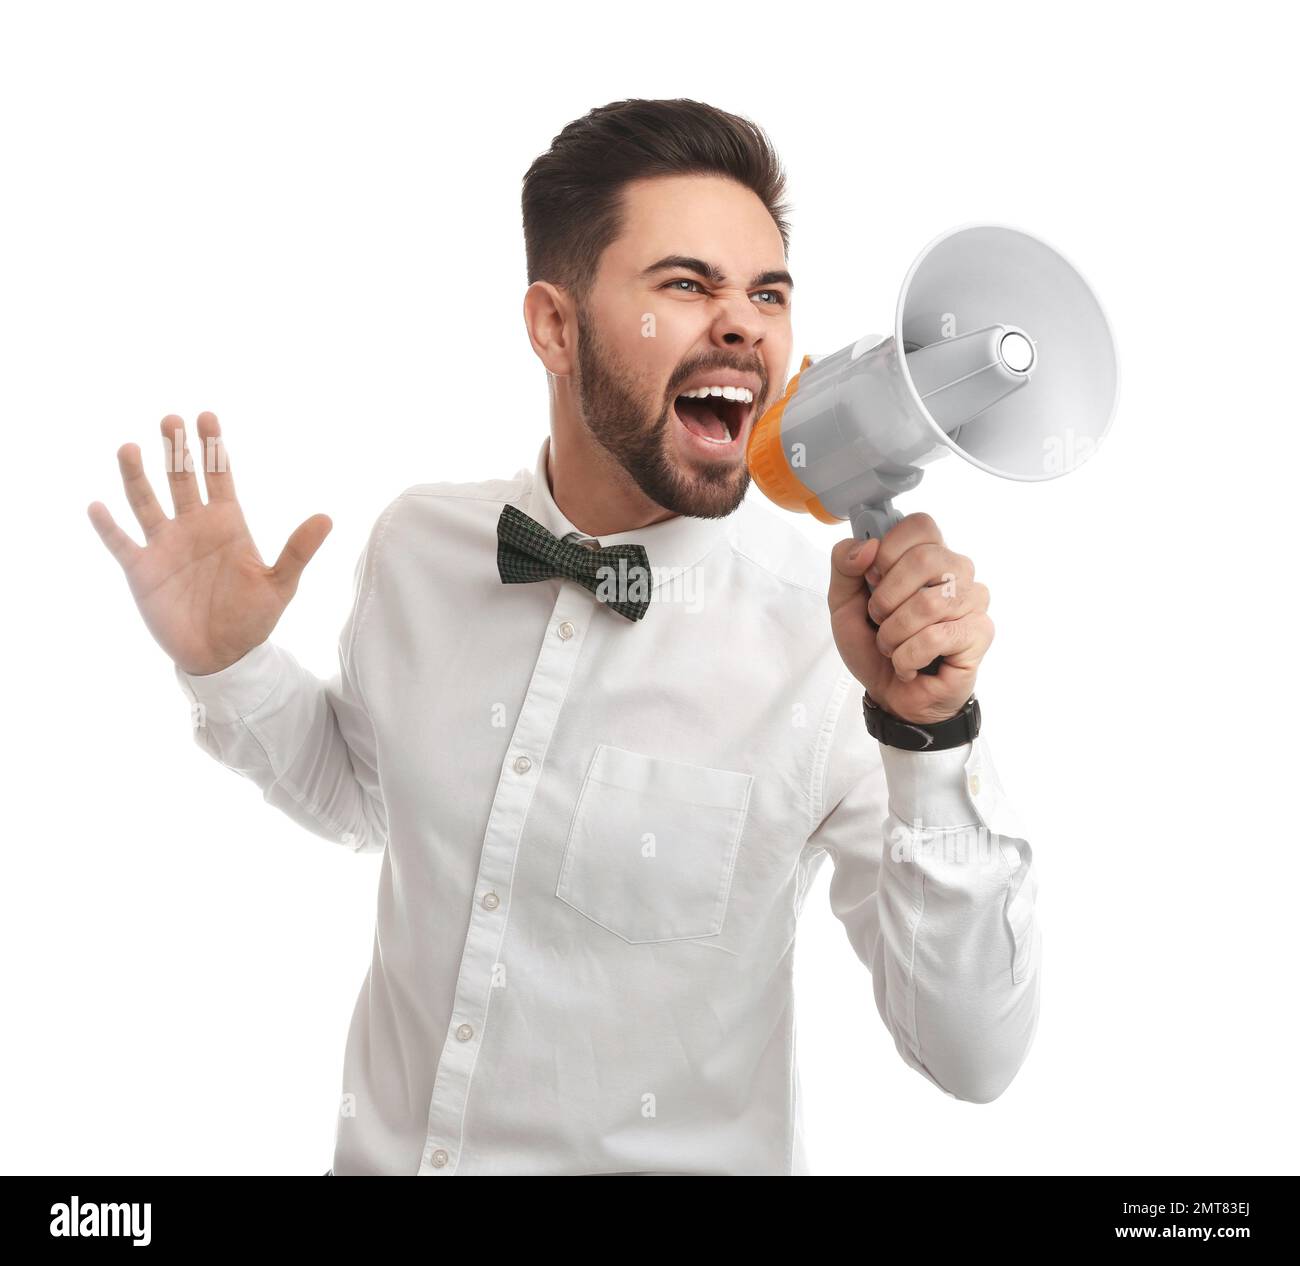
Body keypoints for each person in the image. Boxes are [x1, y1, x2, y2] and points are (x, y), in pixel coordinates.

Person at [87, 97, 1039, 1176]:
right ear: (553, 325)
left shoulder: (828, 645)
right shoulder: (419, 546)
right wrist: (233, 666)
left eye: (765, 294)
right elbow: (374, 801)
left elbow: (973, 1052)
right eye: (686, 284)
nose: (741, 323)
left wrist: (932, 732)